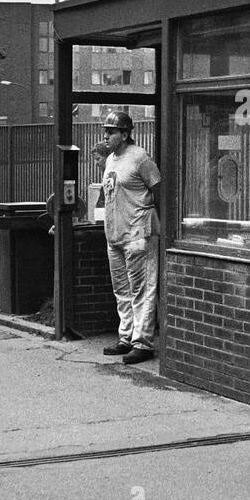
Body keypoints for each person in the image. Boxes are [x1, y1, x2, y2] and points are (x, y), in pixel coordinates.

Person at [98, 111, 161, 365]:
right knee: (121, 289)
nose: (106, 135)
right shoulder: (111, 159)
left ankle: (142, 342)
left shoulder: (140, 157)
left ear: (125, 134)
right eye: (106, 130)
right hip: (115, 234)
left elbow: (159, 189)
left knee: (142, 289)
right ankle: (126, 337)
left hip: (138, 232)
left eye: (111, 131)